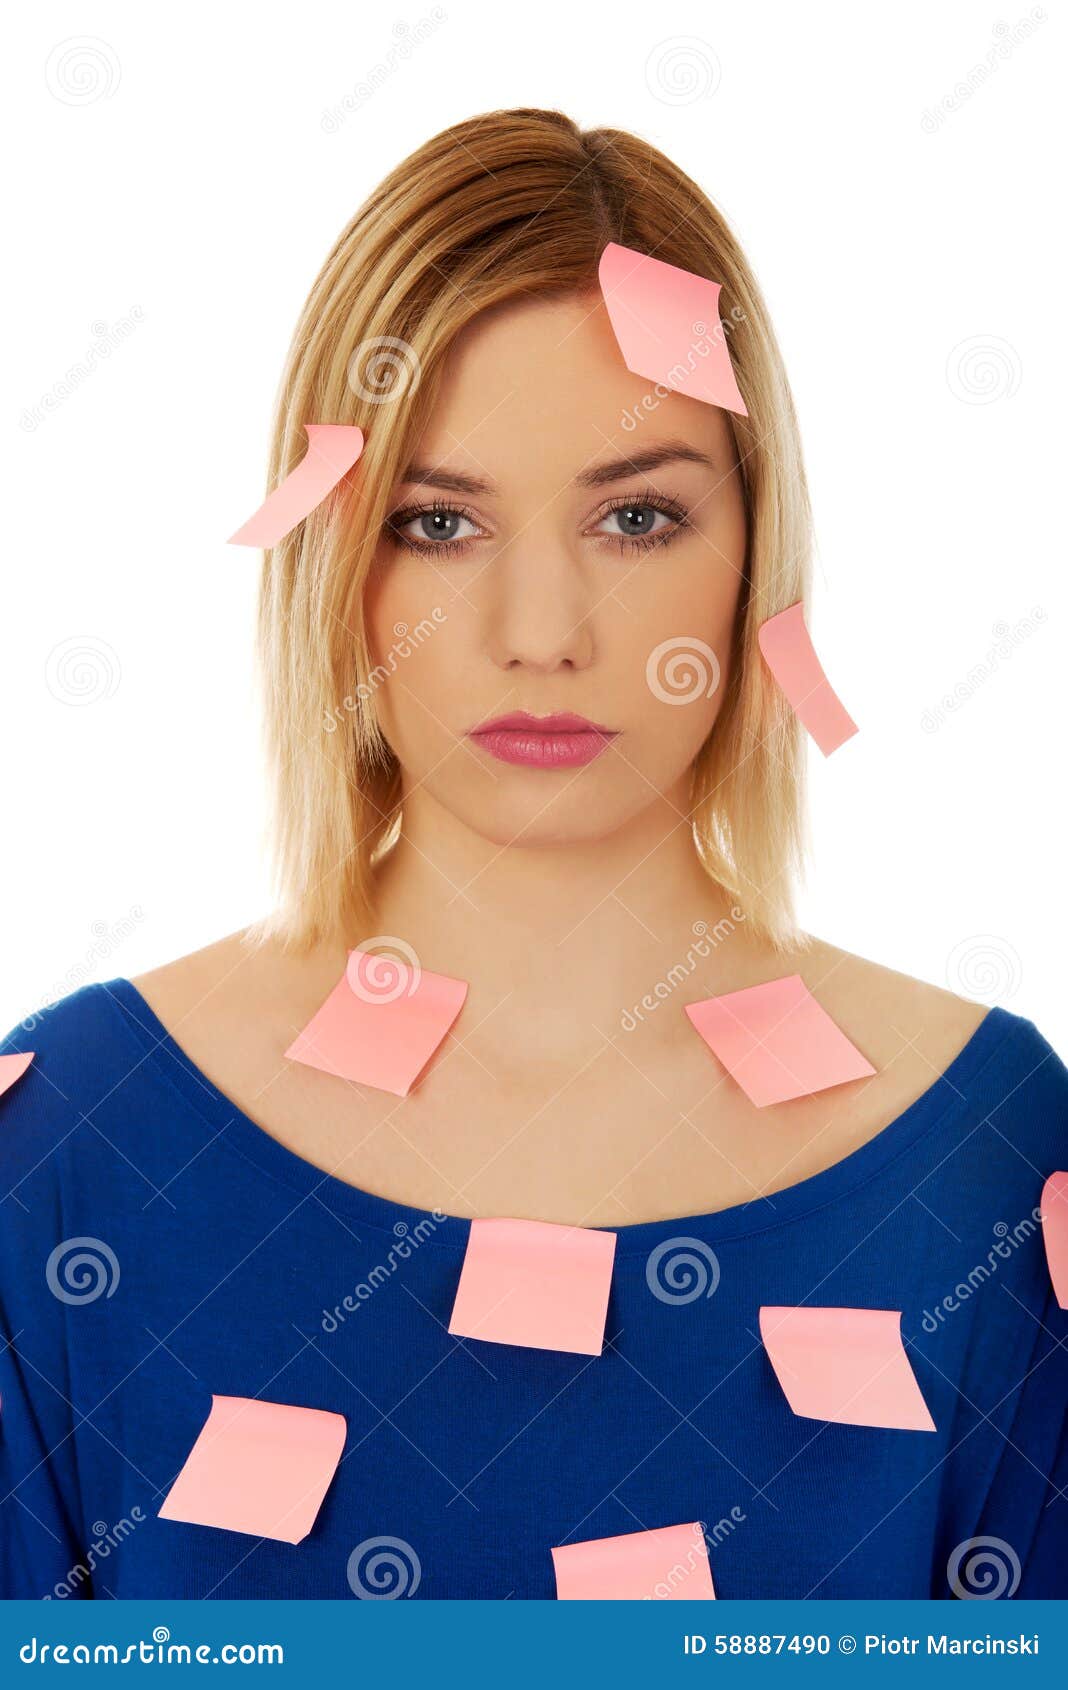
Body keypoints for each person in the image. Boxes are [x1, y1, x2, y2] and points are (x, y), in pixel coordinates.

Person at [2, 108, 1065, 1601]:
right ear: (336, 559)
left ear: (757, 545)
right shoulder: (64, 1147)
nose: (542, 633)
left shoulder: (991, 1146)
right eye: (439, 521)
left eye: (638, 514)